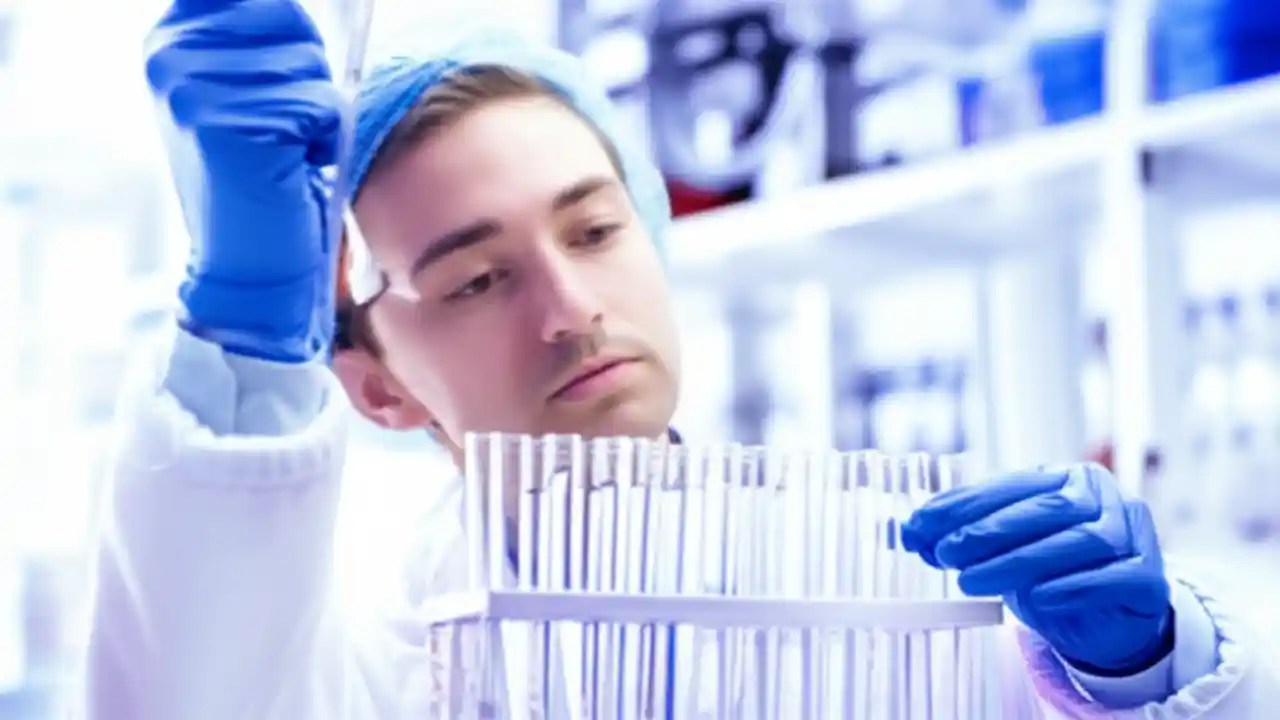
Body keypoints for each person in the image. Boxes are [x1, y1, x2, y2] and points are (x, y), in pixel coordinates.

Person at [86, 1, 1273, 717]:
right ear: (378, 385)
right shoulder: (360, 668)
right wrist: (243, 336)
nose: (568, 307)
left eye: (596, 230)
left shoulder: (925, 588)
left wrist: (1150, 674)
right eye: (475, 279)